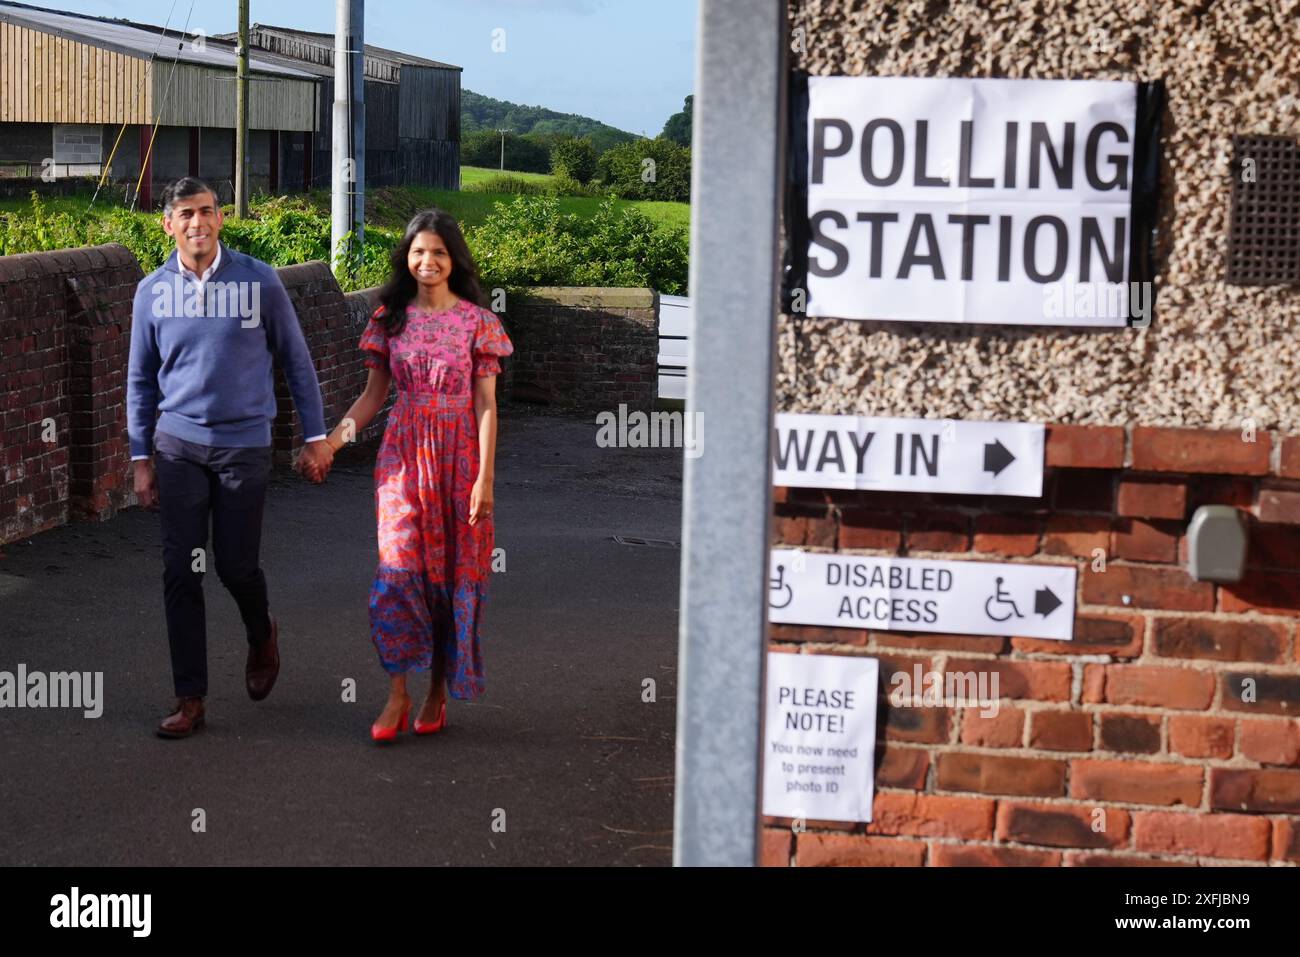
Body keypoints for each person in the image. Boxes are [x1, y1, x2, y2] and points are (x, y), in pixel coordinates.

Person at [127, 176, 334, 739]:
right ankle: (190, 698)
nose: (198, 222)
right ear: (167, 224)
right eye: (186, 214)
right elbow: (141, 380)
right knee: (179, 569)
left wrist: (316, 437)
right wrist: (141, 458)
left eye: (208, 211)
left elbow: (296, 361)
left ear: (221, 219)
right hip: (178, 446)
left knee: (234, 566)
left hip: (244, 444)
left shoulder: (259, 280)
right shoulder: (151, 292)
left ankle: (260, 631)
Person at [318, 209, 512, 743]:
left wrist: (485, 480)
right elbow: (373, 396)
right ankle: (397, 692)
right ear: (407, 257)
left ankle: (435, 693)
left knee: (450, 577)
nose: (427, 261)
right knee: (397, 571)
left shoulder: (478, 322)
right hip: (402, 457)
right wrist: (334, 442)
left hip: (461, 459)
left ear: (454, 261)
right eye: (418, 251)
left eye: (439, 253)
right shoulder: (389, 318)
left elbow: (487, 406)